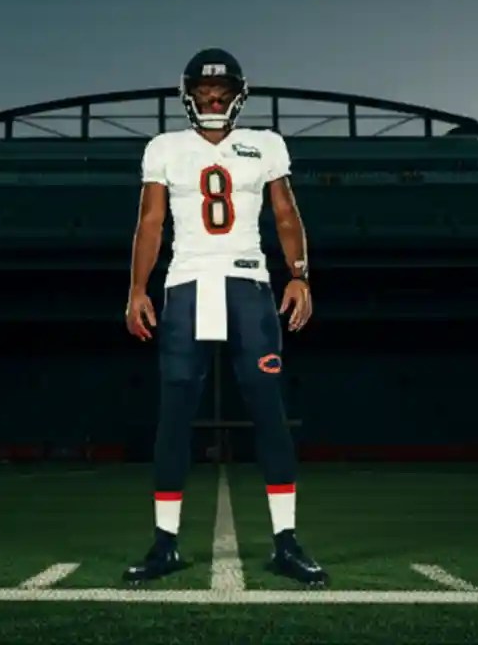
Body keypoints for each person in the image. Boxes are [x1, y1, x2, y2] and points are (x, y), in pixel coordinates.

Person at [122, 48, 328, 587]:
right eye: (204, 94)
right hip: (186, 285)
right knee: (174, 414)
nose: (213, 101)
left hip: (248, 285)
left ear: (238, 96)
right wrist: (137, 289)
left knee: (268, 410)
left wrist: (300, 274)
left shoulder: (266, 143)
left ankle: (286, 540)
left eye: (222, 94)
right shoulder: (165, 147)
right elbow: (151, 221)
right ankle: (164, 542)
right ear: (188, 97)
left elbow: (285, 212)